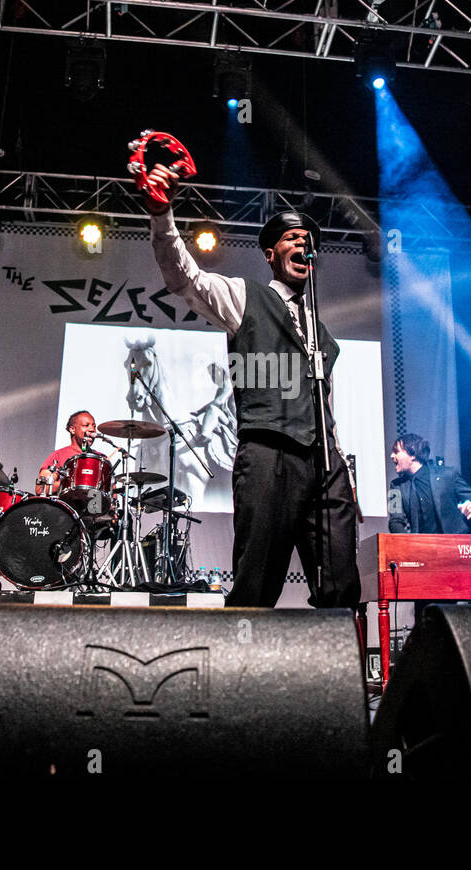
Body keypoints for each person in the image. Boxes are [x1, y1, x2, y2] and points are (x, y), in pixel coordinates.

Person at [141, 163, 360, 609]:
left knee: (341, 585)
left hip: (324, 461)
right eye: (291, 238)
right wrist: (162, 215)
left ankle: (337, 674)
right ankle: (244, 672)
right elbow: (185, 277)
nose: (303, 243)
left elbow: (324, 404)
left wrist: (340, 465)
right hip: (268, 454)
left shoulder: (322, 332)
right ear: (270, 254)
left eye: (308, 240)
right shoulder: (245, 297)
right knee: (257, 583)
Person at [387, 433, 471, 534]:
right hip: (421, 546)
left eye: (396, 452)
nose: (392, 455)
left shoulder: (448, 475)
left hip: (453, 543)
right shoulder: (395, 486)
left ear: (412, 455)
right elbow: (395, 522)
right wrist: (408, 545)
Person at [36, 410, 99, 496]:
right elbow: (40, 489)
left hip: (94, 507)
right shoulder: (57, 456)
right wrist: (72, 482)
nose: (92, 430)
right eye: (86, 425)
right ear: (72, 429)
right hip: (65, 507)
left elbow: (111, 496)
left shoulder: (101, 458)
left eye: (94, 426)